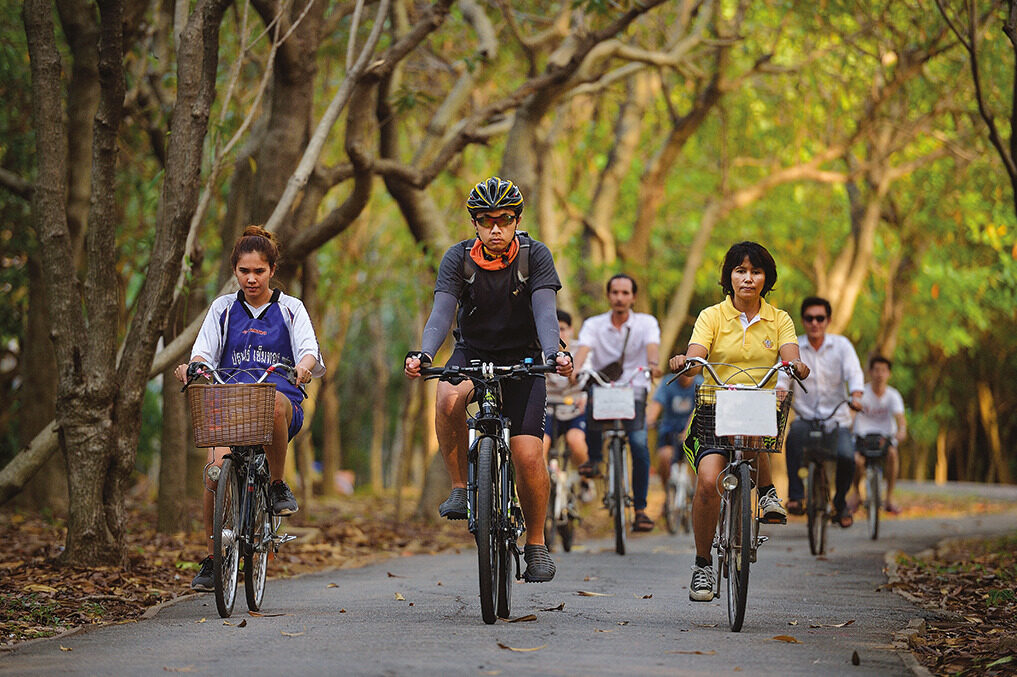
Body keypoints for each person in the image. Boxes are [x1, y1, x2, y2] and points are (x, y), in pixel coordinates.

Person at [403, 177, 572, 583]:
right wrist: (424, 353)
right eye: (486, 221)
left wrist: (554, 353)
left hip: (526, 359)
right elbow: (442, 313)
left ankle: (535, 544)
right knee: (446, 398)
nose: (496, 229)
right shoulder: (457, 259)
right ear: (475, 224)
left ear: (516, 221)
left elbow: (546, 312)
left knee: (529, 455)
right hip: (474, 353)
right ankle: (461, 487)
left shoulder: (536, 256)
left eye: (504, 220)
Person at [174, 225, 325, 592]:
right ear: (235, 271)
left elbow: (309, 349)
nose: (251, 278)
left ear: (272, 269)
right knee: (213, 471)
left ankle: (275, 485)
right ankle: (213, 556)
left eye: (259, 271)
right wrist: (192, 366)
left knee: (273, 402)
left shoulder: (291, 309)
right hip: (232, 405)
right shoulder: (223, 309)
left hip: (280, 405)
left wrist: (303, 367)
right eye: (244, 271)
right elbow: (203, 351)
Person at [668, 241, 809, 602]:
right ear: (729, 276)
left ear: (767, 279)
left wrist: (798, 365)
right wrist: (688, 361)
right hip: (715, 407)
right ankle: (702, 565)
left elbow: (791, 354)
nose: (748, 278)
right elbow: (698, 354)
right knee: (707, 482)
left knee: (754, 424)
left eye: (756, 271)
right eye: (740, 270)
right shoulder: (711, 316)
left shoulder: (779, 319)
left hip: (757, 407)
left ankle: (767, 493)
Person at [572, 274, 662, 532]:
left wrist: (654, 366)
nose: (620, 298)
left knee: (638, 444)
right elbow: (583, 350)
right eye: (615, 292)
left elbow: (652, 348)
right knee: (593, 400)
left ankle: (641, 509)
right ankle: (595, 460)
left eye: (625, 293)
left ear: (633, 297)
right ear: (608, 296)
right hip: (604, 387)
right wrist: (576, 369)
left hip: (635, 389)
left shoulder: (646, 323)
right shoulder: (594, 324)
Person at [783, 296, 864, 528]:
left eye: (820, 318)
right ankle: (796, 497)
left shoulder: (842, 346)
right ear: (803, 321)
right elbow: (783, 376)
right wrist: (780, 392)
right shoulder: (794, 347)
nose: (815, 323)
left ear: (828, 320)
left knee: (848, 457)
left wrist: (856, 395)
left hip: (836, 420)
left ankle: (840, 503)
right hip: (806, 418)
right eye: (809, 318)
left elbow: (854, 373)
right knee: (793, 437)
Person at [852, 355, 907, 514]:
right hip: (862, 436)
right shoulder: (861, 393)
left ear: (889, 373)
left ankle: (889, 497)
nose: (879, 374)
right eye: (876, 370)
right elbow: (852, 414)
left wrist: (901, 431)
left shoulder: (893, 395)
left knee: (892, 454)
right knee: (857, 461)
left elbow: (900, 418)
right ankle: (856, 493)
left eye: (883, 370)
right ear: (870, 372)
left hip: (885, 437)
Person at [543, 310, 589, 469]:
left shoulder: (581, 351)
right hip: (548, 410)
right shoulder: (540, 352)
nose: (558, 333)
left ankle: (585, 481)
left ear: (571, 330)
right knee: (541, 444)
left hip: (574, 410)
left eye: (562, 328)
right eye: (553, 329)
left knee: (576, 441)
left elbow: (584, 381)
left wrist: (568, 368)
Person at [646, 370, 702, 496]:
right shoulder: (668, 382)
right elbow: (656, 405)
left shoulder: (700, 383)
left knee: (697, 463)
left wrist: (687, 432)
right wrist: (649, 421)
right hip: (670, 432)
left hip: (693, 432)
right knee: (664, 457)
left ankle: (695, 495)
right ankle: (667, 497)